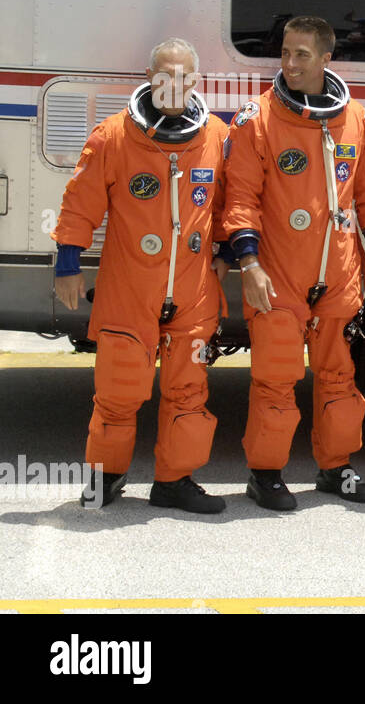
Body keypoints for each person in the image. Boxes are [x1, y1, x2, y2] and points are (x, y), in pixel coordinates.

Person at [224, 15, 365, 510]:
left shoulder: (355, 120)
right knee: (276, 379)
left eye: (302, 54)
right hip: (279, 274)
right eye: (284, 52)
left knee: (340, 378)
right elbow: (240, 199)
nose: (290, 62)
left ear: (326, 59)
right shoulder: (258, 119)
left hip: (340, 275)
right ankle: (266, 473)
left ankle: (336, 468)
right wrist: (250, 263)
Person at [53, 38, 231, 513]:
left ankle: (174, 481)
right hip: (130, 287)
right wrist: (67, 265)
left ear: (196, 81)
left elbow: (234, 202)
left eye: (183, 76)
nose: (174, 85)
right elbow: (80, 203)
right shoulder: (113, 136)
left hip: (192, 289)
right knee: (117, 389)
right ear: (149, 77)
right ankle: (105, 479)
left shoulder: (216, 135)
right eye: (164, 75)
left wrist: (229, 251)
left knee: (188, 391)